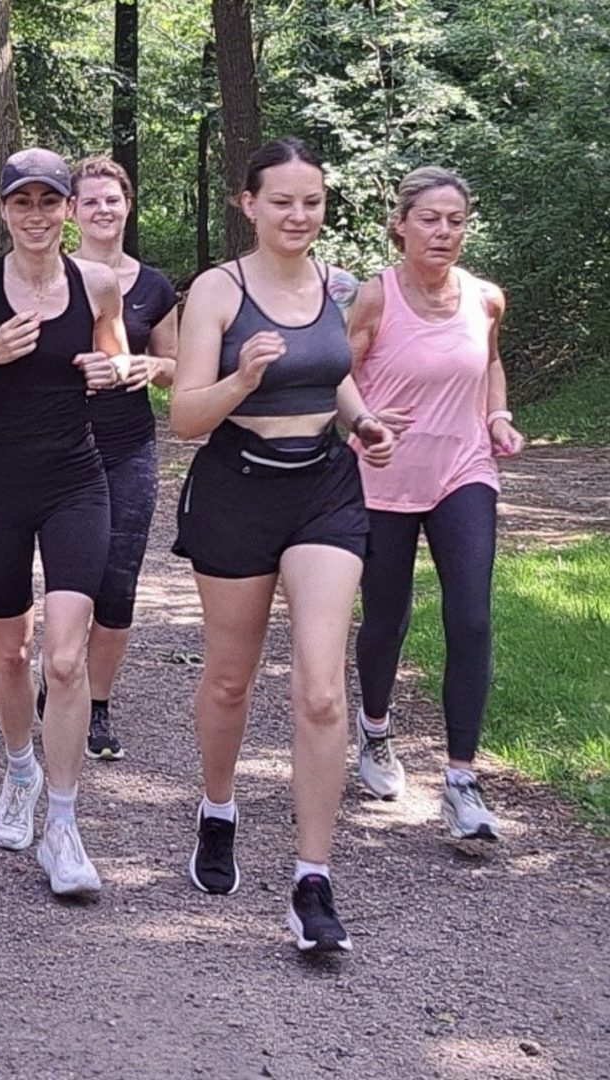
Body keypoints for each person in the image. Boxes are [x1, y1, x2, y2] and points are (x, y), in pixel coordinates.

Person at [169, 137, 405, 953]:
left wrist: (362, 420)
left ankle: (312, 880)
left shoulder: (333, 283)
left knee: (320, 689)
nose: (298, 215)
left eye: (312, 202)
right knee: (231, 681)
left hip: (325, 491)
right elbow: (186, 416)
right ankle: (218, 807)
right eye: (282, 202)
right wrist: (241, 378)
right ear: (250, 204)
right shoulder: (217, 291)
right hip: (236, 489)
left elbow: (332, 371)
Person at [0, 148, 129, 897]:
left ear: (68, 210)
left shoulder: (97, 281)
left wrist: (112, 368)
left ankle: (65, 826)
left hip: (77, 480)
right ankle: (21, 771)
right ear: (4, 211)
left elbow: (115, 356)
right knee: (11, 654)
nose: (37, 216)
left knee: (66, 660)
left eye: (51, 202)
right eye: (23, 203)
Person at [348, 166, 522, 841]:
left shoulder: (485, 298)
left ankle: (460, 779)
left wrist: (499, 415)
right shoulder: (374, 297)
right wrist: (362, 418)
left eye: (455, 220)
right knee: (386, 618)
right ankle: (376, 729)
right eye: (430, 219)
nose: (444, 231)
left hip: (463, 469)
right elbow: (336, 372)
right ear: (401, 226)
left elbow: (491, 363)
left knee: (471, 618)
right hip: (383, 476)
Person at [64, 156, 180, 761]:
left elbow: (179, 368)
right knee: (70, 577)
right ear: (72, 211)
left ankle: (98, 705)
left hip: (130, 445)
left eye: (113, 199)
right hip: (60, 445)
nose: (103, 210)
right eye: (91, 201)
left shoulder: (155, 286)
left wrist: (151, 367)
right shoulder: (49, 278)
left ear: (127, 205)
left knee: (119, 579)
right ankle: (61, 678)